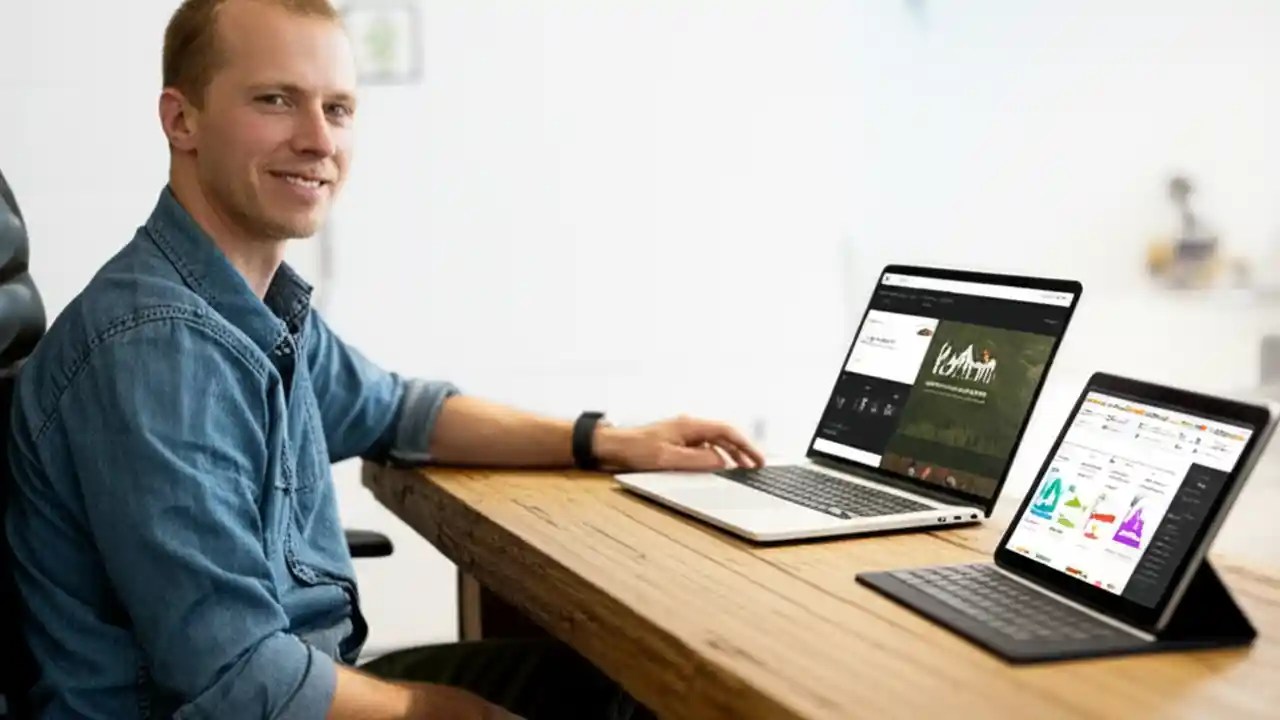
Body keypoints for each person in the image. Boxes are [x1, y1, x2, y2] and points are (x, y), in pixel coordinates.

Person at [2, 0, 764, 718]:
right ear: (182, 120)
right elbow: (234, 678)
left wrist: (605, 440)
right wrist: (437, 711)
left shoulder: (248, 307)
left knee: (620, 685)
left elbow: (399, 410)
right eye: (275, 100)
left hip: (289, 679)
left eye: (337, 109)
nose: (318, 140)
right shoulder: (161, 350)